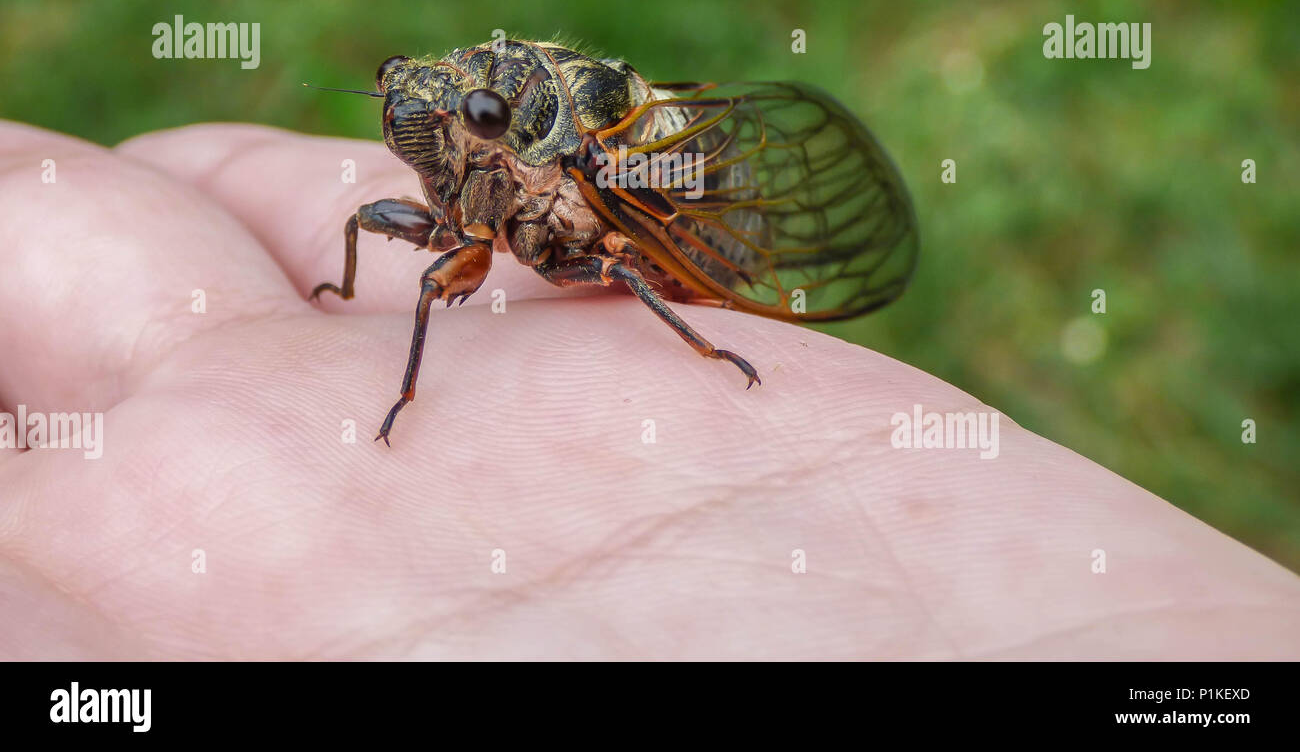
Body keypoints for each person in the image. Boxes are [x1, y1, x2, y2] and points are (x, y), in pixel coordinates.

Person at [1, 120, 1297, 660]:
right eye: (425, 140)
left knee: (620, 244)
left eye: (457, 137)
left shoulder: (550, 172)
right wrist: (357, 286)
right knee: (392, 247)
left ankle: (693, 326)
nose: (434, 156)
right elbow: (421, 252)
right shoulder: (448, 200)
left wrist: (697, 343)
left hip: (634, 199)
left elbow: (574, 245)